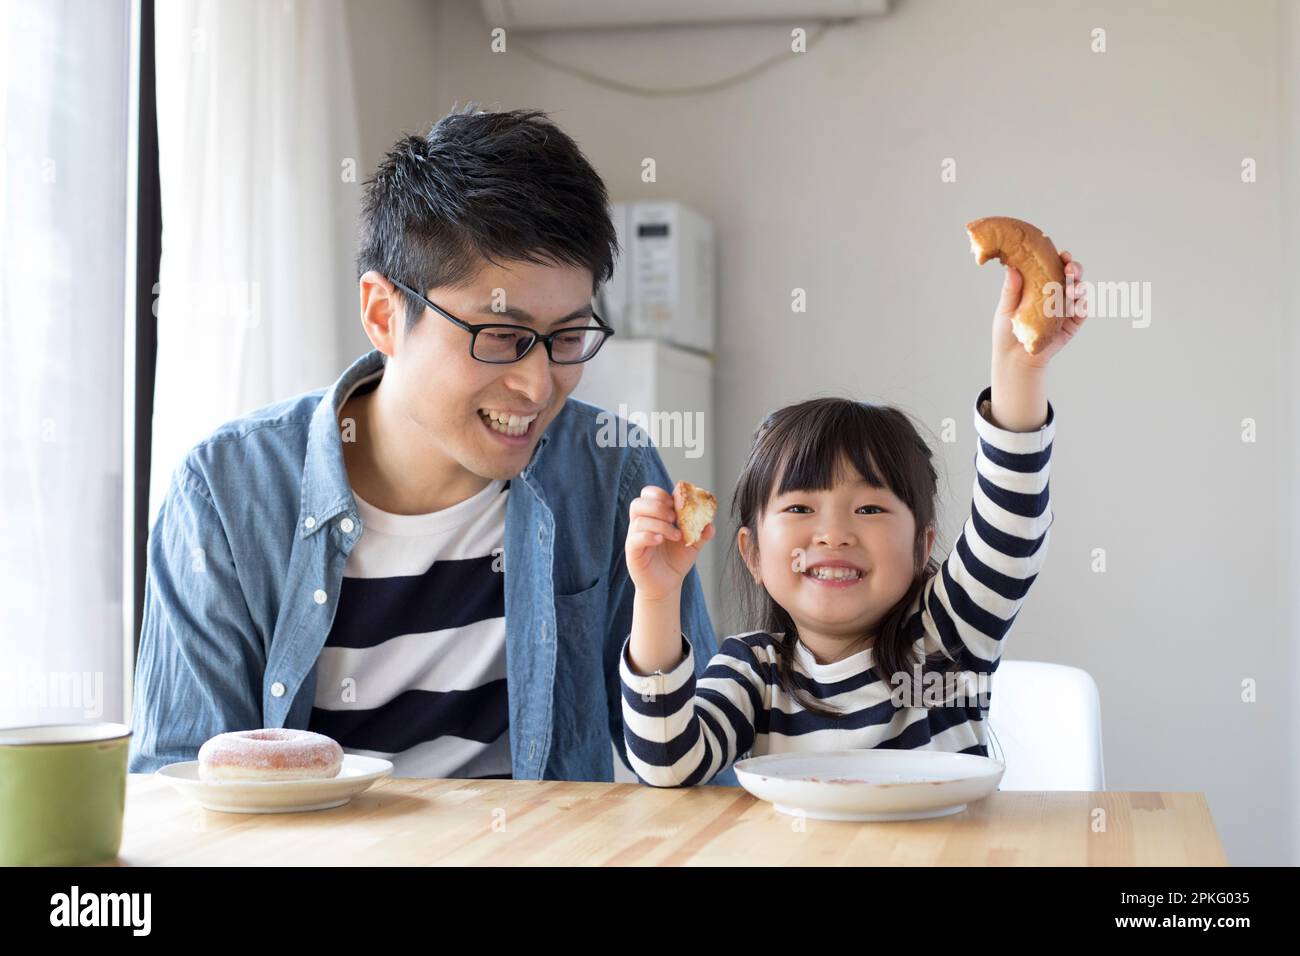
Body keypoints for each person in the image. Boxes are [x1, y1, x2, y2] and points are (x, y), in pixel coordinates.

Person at [128, 105, 735, 785]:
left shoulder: (610, 473)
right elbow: (175, 787)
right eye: (500, 336)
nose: (537, 385)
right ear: (385, 314)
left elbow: (702, 766)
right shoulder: (228, 493)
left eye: (567, 338)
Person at [618, 254, 1088, 786]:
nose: (834, 533)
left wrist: (1019, 369)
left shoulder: (947, 638)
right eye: (799, 508)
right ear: (752, 554)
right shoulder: (754, 673)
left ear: (920, 547)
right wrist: (656, 597)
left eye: (869, 509)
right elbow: (668, 765)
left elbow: (1010, 528)